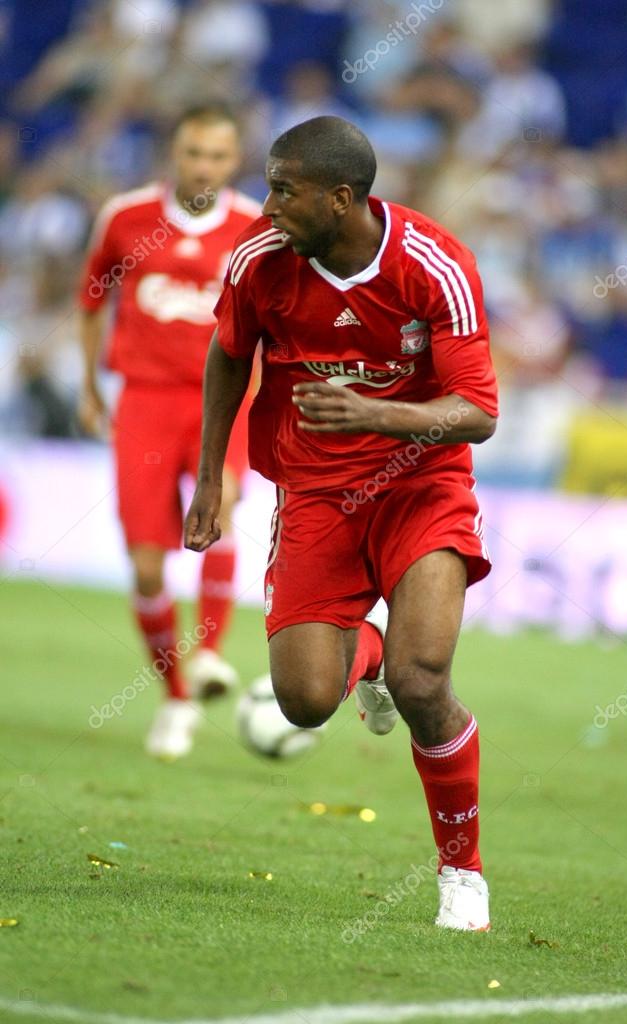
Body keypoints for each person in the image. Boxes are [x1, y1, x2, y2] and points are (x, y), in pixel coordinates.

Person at [185, 116, 498, 930]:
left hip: (422, 485)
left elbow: (478, 412)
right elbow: (227, 354)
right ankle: (366, 663)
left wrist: (373, 413)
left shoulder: (434, 265)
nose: (268, 202)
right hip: (316, 492)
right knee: (303, 702)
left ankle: (461, 875)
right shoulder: (259, 261)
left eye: (284, 189)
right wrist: (211, 476)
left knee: (424, 676)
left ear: (341, 197)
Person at [78, 103, 260, 759]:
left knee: (222, 507)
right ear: (174, 154)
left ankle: (209, 654)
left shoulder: (255, 227)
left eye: (217, 155)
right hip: (146, 400)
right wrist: (89, 383)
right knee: (148, 565)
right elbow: (93, 296)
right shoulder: (126, 218)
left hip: (224, 398)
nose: (204, 166)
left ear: (233, 160)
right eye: (193, 153)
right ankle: (176, 697)